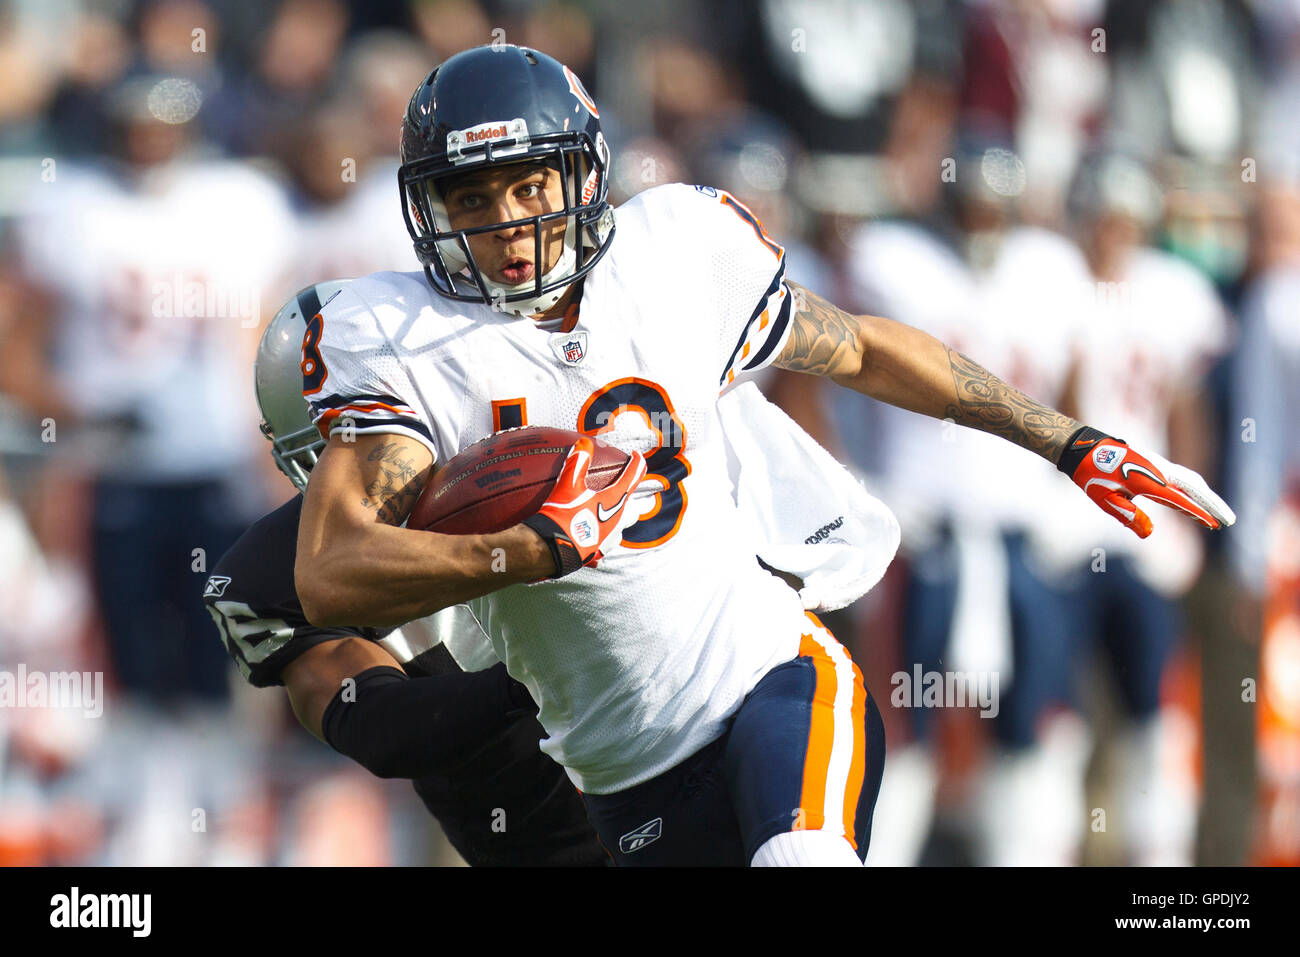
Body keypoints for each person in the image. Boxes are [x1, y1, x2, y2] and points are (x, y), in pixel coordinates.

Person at [293, 45, 1233, 867]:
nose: (505, 221)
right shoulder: (398, 337)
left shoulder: (670, 252)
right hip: (624, 771)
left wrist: (1070, 442)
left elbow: (860, 349)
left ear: (581, 177)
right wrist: (522, 550)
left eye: (528, 184)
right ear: (431, 207)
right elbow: (331, 572)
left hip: (770, 677)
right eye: (472, 195)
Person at [204, 281, 609, 866]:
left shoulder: (547, 462)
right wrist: (538, 677)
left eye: (382, 435)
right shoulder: (271, 576)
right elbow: (377, 724)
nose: (364, 470)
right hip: (544, 847)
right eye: (340, 452)